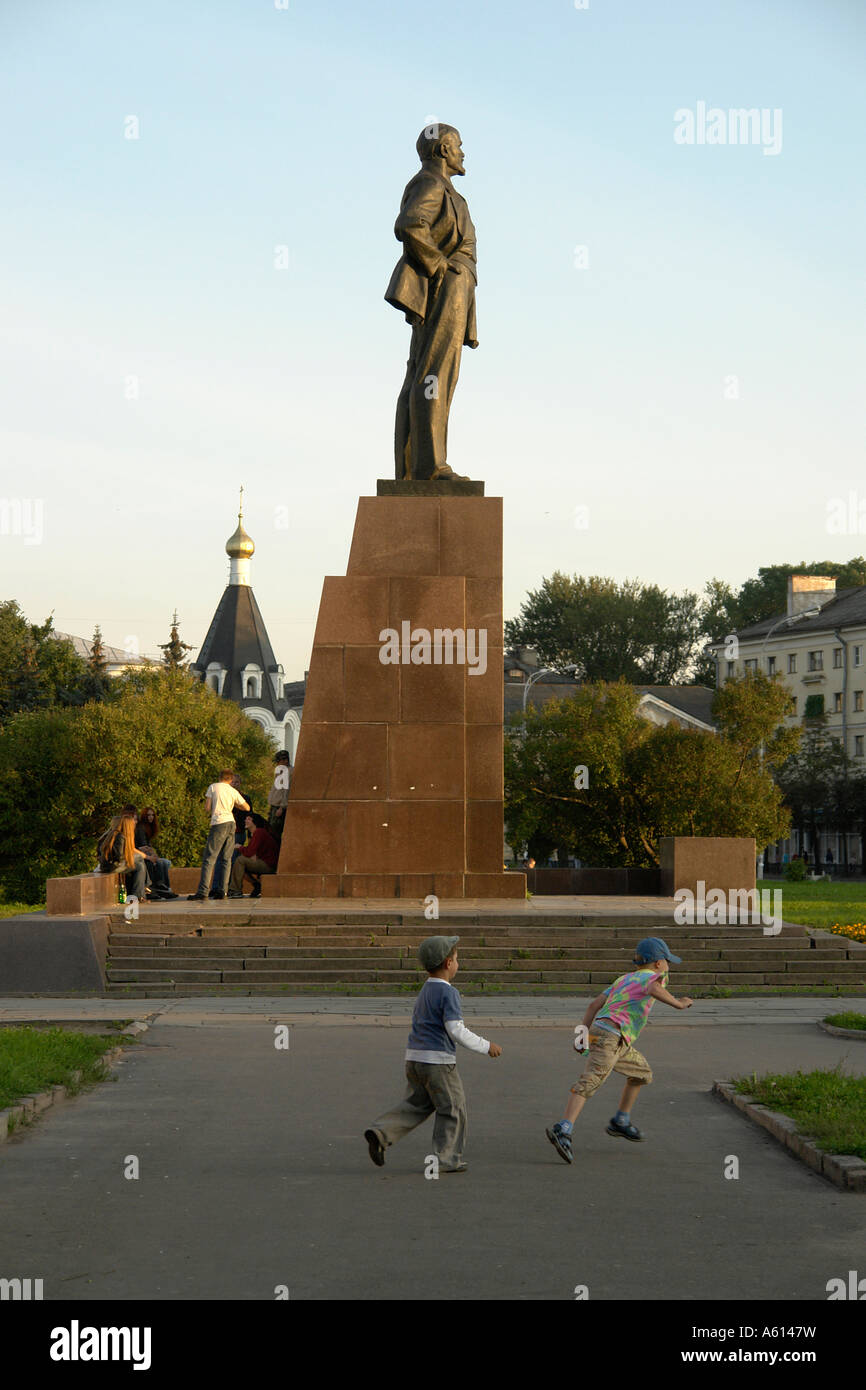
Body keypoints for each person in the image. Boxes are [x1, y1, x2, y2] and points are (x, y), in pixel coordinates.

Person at [546, 937, 693, 1164]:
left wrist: (582, 1035)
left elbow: (594, 1005)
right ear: (657, 963)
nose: (668, 966)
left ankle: (621, 1121)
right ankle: (563, 1128)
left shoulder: (623, 979)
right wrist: (679, 1003)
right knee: (590, 1081)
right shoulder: (654, 978)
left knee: (642, 1073)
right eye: (667, 961)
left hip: (612, 1036)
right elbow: (653, 988)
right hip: (610, 1036)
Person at [385, 124, 478, 482]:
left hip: (455, 287)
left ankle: (415, 469)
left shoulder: (445, 188)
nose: (462, 152)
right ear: (442, 150)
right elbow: (409, 224)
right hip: (445, 285)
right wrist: (440, 266)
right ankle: (430, 467)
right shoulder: (430, 184)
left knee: (428, 373)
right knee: (433, 374)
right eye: (457, 146)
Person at [364, 935, 501, 1174]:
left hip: (415, 1058)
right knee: (453, 1107)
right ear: (448, 963)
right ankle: (446, 1159)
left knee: (418, 1104)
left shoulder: (425, 990)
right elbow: (455, 1029)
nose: (458, 964)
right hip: (438, 1062)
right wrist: (486, 1045)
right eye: (457, 959)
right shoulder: (449, 993)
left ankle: (381, 1132)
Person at [188, 770, 249, 901]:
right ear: (231, 779)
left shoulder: (213, 787)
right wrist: (233, 805)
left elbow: (207, 807)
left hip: (218, 823)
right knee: (227, 859)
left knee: (209, 858)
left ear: (219, 777)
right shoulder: (233, 791)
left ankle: (203, 891)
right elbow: (247, 807)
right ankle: (223, 891)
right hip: (231, 823)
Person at [121, 804, 177, 900]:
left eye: (152, 815)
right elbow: (138, 848)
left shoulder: (144, 828)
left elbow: (147, 846)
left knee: (164, 862)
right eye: (148, 815)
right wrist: (150, 856)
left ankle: (165, 888)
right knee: (150, 862)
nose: (136, 822)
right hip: (128, 858)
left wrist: (153, 854)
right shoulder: (138, 829)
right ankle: (153, 889)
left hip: (136, 855)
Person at [210, 774, 253, 897]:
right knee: (219, 859)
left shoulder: (245, 798)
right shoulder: (225, 797)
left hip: (238, 833)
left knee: (231, 860)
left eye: (237, 782)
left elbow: (250, 816)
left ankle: (226, 887)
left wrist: (250, 835)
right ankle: (216, 887)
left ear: (240, 784)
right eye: (233, 782)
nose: (235, 784)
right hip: (223, 831)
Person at [97, 813, 148, 903]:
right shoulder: (120, 836)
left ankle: (139, 894)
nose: (134, 826)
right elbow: (119, 857)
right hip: (113, 866)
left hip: (111, 865)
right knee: (139, 859)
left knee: (140, 865)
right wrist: (128, 859)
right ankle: (142, 891)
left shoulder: (117, 833)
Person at [228, 813, 279, 898]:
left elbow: (249, 852)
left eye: (248, 819)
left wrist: (239, 847)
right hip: (264, 862)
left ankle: (235, 891)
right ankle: (256, 885)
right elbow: (252, 852)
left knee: (240, 860)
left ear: (254, 822)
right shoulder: (256, 833)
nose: (245, 820)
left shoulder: (259, 832)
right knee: (238, 865)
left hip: (268, 865)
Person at [267, 751, 291, 840]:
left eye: (279, 761)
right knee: (270, 831)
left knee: (274, 833)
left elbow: (286, 791)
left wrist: (282, 807)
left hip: (279, 807)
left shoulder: (287, 772)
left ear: (285, 760)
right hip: (274, 805)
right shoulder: (280, 771)